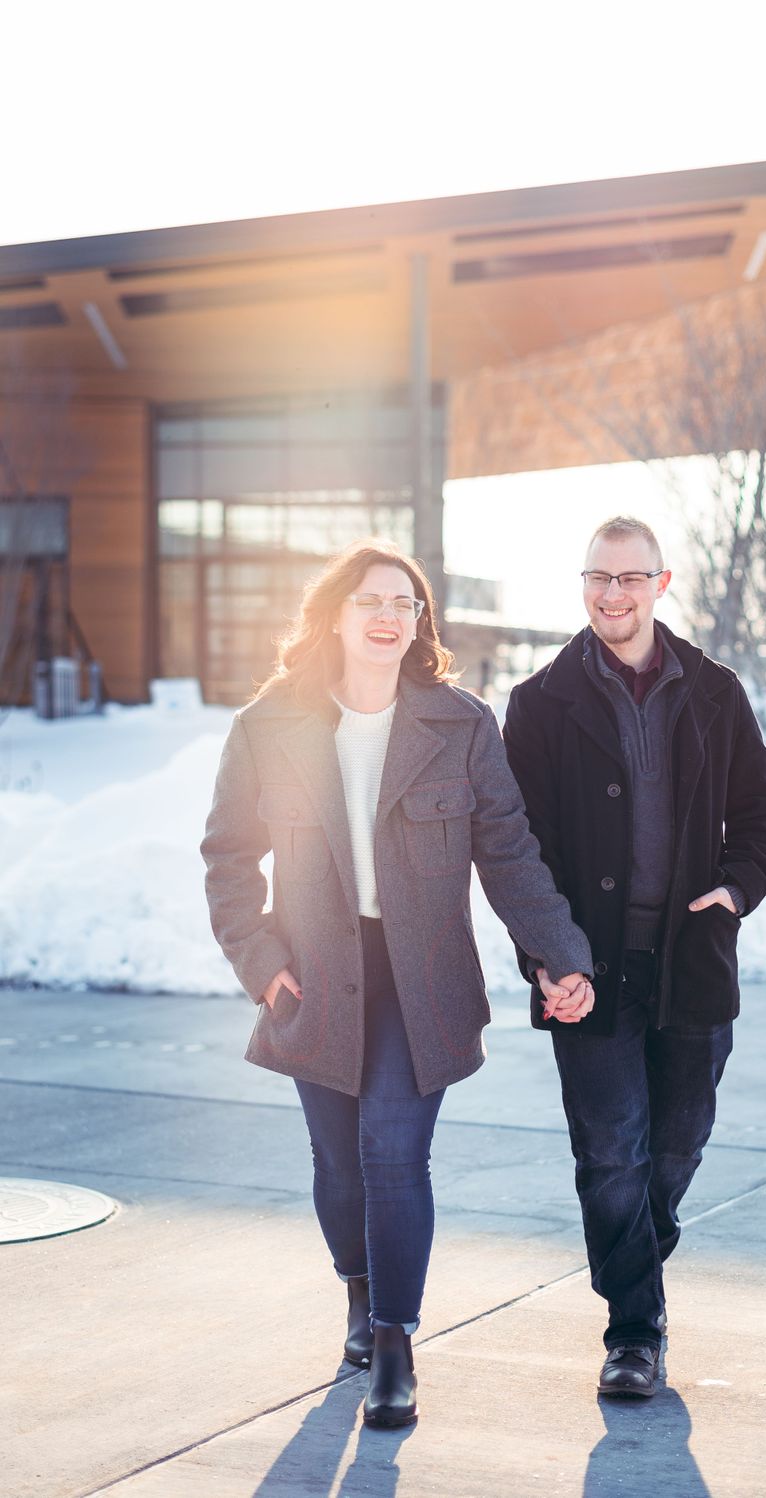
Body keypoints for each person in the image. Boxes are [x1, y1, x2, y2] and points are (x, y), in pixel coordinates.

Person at [201, 539, 592, 1428]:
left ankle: (393, 1343)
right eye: (371, 601)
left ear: (420, 624)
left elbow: (508, 853)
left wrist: (560, 954)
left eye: (404, 604)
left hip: (422, 982)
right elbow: (228, 857)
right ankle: (358, 1288)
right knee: (339, 1166)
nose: (388, 617)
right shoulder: (269, 725)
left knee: (392, 1154)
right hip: (315, 978)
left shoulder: (461, 725)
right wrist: (261, 962)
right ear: (335, 616)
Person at [502, 515, 766, 1398]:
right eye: (599, 577)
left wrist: (733, 892)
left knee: (675, 1148)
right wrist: (547, 960)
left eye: (630, 578)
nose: (612, 594)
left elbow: (763, 815)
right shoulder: (538, 703)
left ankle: (639, 1264)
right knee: (610, 1155)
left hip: (690, 962)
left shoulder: (714, 691)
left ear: (661, 584)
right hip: (587, 969)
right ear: (583, 584)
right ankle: (633, 1330)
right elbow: (519, 850)